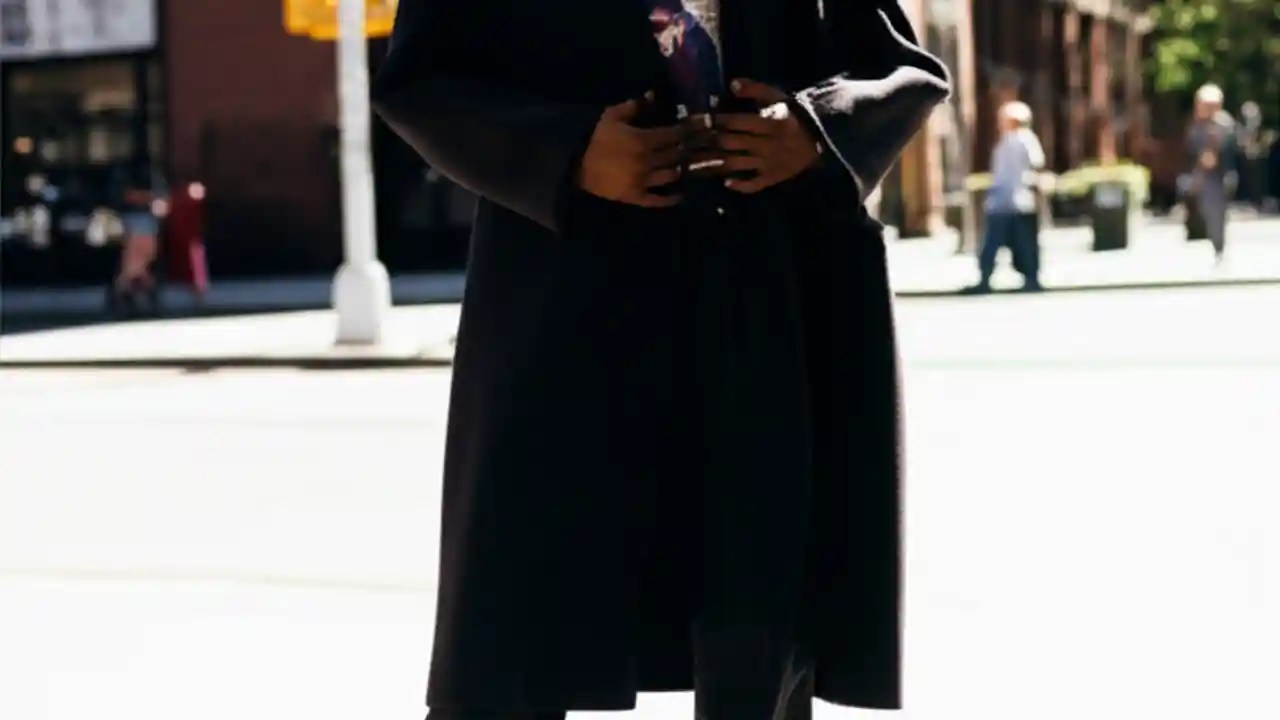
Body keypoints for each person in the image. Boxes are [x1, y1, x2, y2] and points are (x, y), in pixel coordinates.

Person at [373, 1, 950, 718]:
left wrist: (815, 128)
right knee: (517, 639)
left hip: (766, 306)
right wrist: (568, 151)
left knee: (760, 642)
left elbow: (901, 66)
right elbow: (420, 80)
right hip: (566, 308)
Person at [964, 101, 1045, 294]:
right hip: (1002, 200)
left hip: (1017, 200)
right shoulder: (1006, 140)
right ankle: (987, 278)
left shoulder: (1024, 139)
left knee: (1019, 244)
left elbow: (1036, 163)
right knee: (996, 244)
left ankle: (1029, 278)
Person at [1183, 84, 1238, 263]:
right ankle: (1214, 241)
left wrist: (1217, 152)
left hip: (1222, 174)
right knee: (1207, 209)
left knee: (1218, 210)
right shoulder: (1195, 127)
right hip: (1203, 175)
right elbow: (1191, 149)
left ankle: (1219, 246)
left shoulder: (1225, 124)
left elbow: (1232, 148)